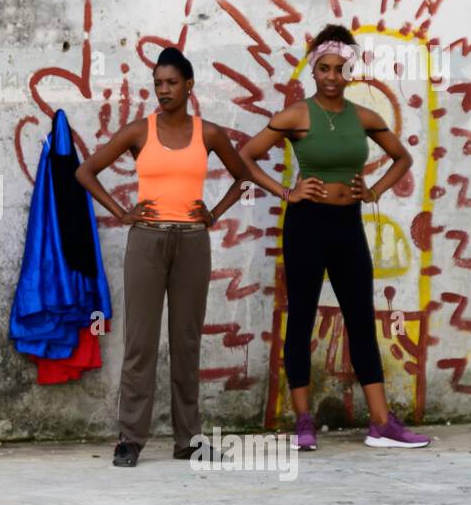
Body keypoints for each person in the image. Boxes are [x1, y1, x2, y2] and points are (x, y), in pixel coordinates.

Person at [239, 24, 431, 450]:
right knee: (302, 317)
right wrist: (287, 192)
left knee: (361, 318)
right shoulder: (296, 116)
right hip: (306, 225)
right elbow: (246, 156)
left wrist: (375, 190)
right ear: (313, 69)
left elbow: (403, 157)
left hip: (348, 226)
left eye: (339, 68)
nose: (330, 76)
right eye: (323, 68)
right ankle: (303, 420)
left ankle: (381, 423)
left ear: (350, 70)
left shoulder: (364, 117)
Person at [76, 47, 248, 466]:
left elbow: (243, 177)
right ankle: (130, 439)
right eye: (158, 84)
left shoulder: (208, 134)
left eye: (172, 83)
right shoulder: (140, 131)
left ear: (189, 85)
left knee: (186, 343)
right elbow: (84, 171)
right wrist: (121, 212)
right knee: (140, 343)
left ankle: (188, 439)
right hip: (147, 242)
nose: (164, 90)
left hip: (192, 241)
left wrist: (213, 212)